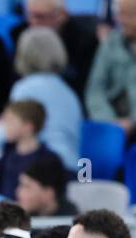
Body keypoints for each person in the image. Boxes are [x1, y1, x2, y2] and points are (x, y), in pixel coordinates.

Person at [10, 26, 83, 169]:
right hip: (74, 168)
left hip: (44, 170)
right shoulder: (69, 92)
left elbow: (14, 133)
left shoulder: (23, 88)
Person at [11, 0, 99, 99]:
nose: (33, 22)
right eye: (29, 15)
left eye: (40, 16)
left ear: (62, 15)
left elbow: (87, 84)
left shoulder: (84, 40)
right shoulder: (20, 34)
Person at [0, 100, 59, 200]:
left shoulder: (48, 160)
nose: (4, 124)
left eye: (10, 120)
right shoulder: (8, 154)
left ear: (27, 126)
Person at [85, 0, 136, 136]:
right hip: (111, 127)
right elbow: (95, 89)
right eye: (120, 14)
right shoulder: (110, 43)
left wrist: (132, 122)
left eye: (128, 15)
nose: (120, 20)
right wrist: (110, 121)